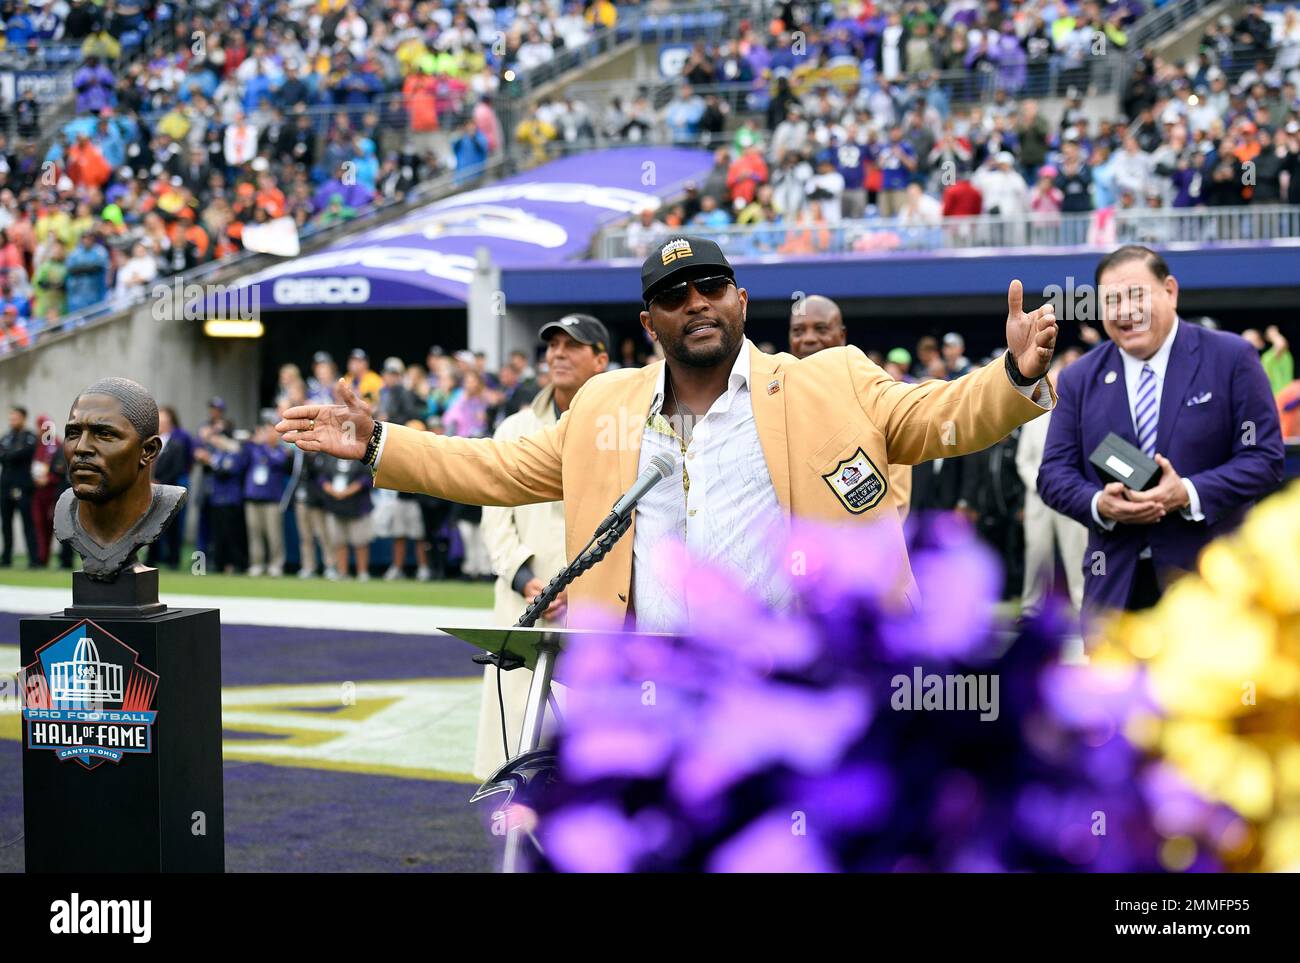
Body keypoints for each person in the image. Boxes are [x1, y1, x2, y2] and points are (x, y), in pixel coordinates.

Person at [278, 236, 1059, 629]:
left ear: (742, 300)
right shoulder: (604, 404)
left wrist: (1014, 376)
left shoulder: (833, 377)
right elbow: (499, 468)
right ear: (649, 321)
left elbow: (937, 419)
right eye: (673, 294)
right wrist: (382, 444)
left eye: (711, 286)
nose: (697, 302)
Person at [1037, 245, 1285, 620]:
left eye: (1136, 295)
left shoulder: (1231, 358)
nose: (1124, 311)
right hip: (1115, 592)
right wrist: (1099, 503)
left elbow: (1264, 459)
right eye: (1111, 301)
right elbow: (1053, 475)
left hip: (1212, 587)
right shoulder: (1077, 378)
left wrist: (1186, 493)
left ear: (1170, 291)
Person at [475, 314, 610, 780]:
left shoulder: (626, 427)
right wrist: (522, 576)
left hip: (595, 604)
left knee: (590, 738)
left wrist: (586, 585)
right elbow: (494, 513)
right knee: (516, 729)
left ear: (601, 359)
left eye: (572, 346)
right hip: (524, 599)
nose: (557, 354)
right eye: (552, 346)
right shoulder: (515, 427)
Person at [788, 295, 912, 520]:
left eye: (821, 329)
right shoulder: (776, 400)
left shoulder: (872, 393)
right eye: (798, 331)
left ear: (842, 335)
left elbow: (897, 504)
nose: (808, 339)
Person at [1015, 357, 1088, 616]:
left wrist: (1064, 484)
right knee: (1037, 552)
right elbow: (1023, 461)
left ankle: (1082, 605)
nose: (1056, 386)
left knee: (1076, 552)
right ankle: (1031, 608)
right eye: (1052, 381)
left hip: (1069, 495)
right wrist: (1040, 484)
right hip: (1038, 497)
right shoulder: (1033, 418)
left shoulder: (1078, 417)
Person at [243, 419, 289, 577]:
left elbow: (278, 462)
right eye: (267, 431)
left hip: (271, 499)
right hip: (253, 497)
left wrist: (263, 447)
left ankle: (276, 564)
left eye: (272, 432)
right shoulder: (254, 448)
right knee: (254, 532)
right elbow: (243, 455)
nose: (269, 435)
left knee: (274, 534)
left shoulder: (280, 451)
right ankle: (257, 563)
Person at [0, 406, 38, 567]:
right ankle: (6, 558)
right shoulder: (6, 437)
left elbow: (25, 453)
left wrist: (10, 454)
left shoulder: (29, 437)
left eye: (15, 418)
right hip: (5, 486)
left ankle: (33, 560)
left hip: (23, 487)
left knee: (27, 524)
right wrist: (12, 454)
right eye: (11, 418)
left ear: (23, 418)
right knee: (6, 524)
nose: (12, 421)